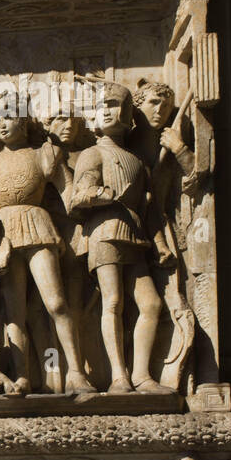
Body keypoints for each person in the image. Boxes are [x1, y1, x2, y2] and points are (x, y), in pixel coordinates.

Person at [0, 110, 95, 393]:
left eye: (9, 117)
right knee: (14, 310)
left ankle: (76, 372)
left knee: (56, 303)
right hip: (4, 231)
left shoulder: (44, 153)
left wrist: (84, 220)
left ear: (24, 122)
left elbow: (68, 194)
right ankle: (23, 375)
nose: (2, 125)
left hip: (37, 224)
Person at [71, 83, 168, 393]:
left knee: (151, 304)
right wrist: (105, 195)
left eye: (116, 105)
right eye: (104, 105)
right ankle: (118, 376)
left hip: (134, 235)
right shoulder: (93, 153)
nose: (109, 110)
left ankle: (141, 374)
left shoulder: (138, 162)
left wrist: (162, 245)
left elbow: (150, 210)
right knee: (112, 301)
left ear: (128, 115)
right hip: (105, 232)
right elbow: (77, 198)